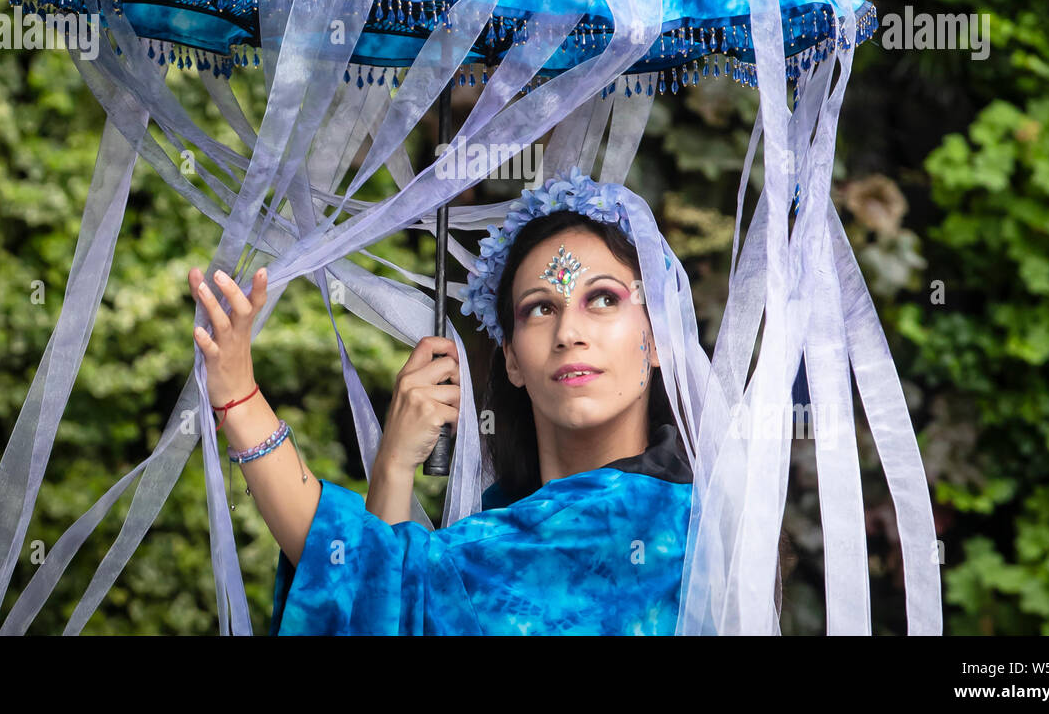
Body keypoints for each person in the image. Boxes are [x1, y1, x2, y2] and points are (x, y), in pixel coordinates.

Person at [189, 170, 724, 635]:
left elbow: (374, 575)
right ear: (511, 359)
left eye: (604, 299)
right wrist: (395, 467)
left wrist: (240, 398)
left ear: (657, 341)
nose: (570, 332)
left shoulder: (659, 526)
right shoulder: (500, 527)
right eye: (540, 308)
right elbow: (391, 607)